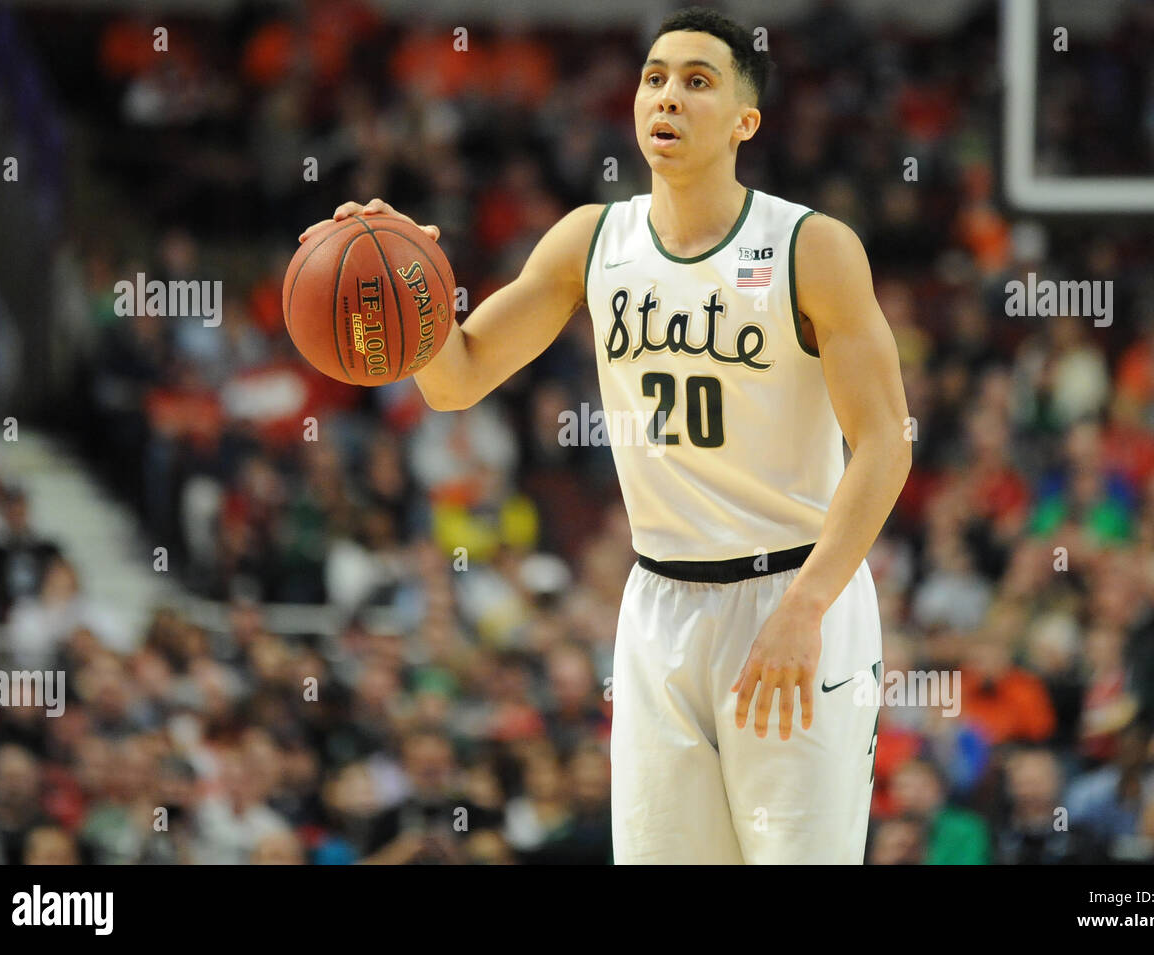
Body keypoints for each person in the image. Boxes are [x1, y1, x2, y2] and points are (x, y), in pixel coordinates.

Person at [300, 7, 911, 863]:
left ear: (745, 120)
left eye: (697, 82)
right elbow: (456, 379)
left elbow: (886, 443)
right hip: (659, 604)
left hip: (794, 594)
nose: (667, 95)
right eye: (654, 77)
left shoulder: (812, 247)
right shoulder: (592, 241)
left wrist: (808, 604)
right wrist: (414, 289)